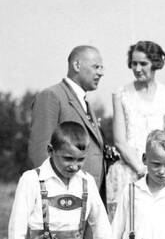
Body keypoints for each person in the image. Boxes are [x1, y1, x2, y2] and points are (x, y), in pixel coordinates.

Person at [107, 40, 165, 220]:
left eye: (143, 63)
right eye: (134, 63)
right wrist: (142, 170)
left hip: (162, 170)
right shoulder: (121, 94)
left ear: (155, 64)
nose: (138, 68)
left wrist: (159, 169)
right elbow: (119, 141)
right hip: (129, 170)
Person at [27, 46, 107, 193]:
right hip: (62, 198)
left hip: (86, 196)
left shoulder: (86, 103)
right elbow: (40, 150)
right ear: (77, 65)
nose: (101, 73)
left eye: (102, 68)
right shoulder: (51, 96)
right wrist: (53, 193)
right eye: (96, 67)